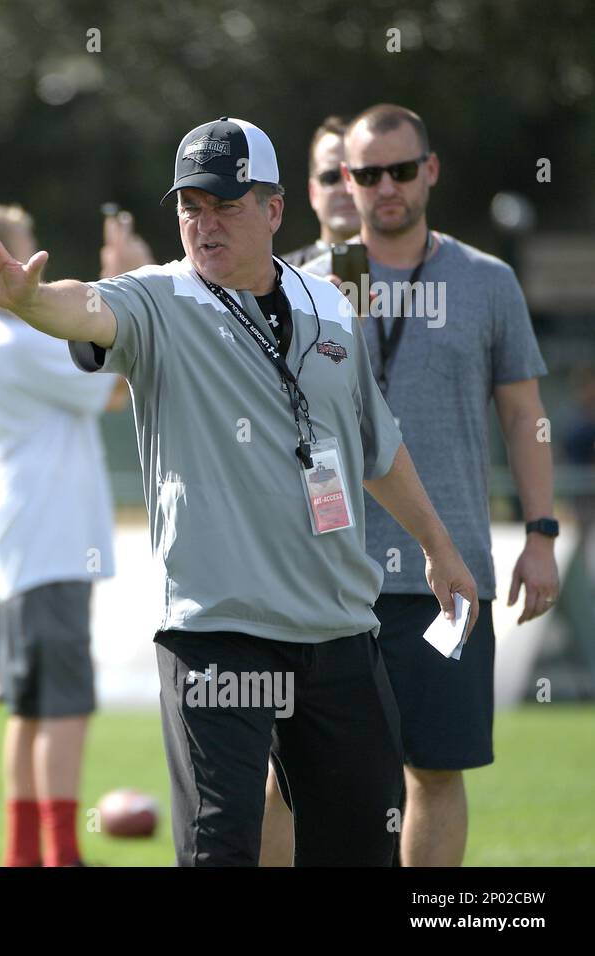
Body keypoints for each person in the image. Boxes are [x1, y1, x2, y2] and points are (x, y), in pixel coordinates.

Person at [0, 116, 479, 867]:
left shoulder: (328, 305)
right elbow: (83, 304)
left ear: (275, 210)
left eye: (226, 204)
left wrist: (438, 546)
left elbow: (375, 448)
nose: (205, 222)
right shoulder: (157, 299)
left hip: (337, 630)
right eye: (191, 205)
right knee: (220, 850)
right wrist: (26, 301)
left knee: (361, 847)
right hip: (216, 634)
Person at [262, 104, 558, 867]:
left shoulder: (486, 281)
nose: (384, 187)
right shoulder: (298, 283)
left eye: (400, 169)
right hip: (324, 573)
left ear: (430, 170)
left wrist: (541, 533)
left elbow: (526, 416)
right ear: (345, 181)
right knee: (289, 779)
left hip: (448, 577)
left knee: (435, 769)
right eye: (366, 173)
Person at [0, 202, 122, 867]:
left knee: (32, 708)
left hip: (35, 528)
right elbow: (115, 387)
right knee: (64, 704)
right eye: (27, 247)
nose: (37, 261)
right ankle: (62, 856)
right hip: (50, 533)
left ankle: (24, 855)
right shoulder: (16, 338)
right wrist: (133, 289)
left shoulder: (2, 335)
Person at [281, 116, 360, 267]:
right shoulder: (279, 275)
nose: (346, 190)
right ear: (313, 192)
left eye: (356, 175)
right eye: (331, 177)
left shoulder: (414, 271)